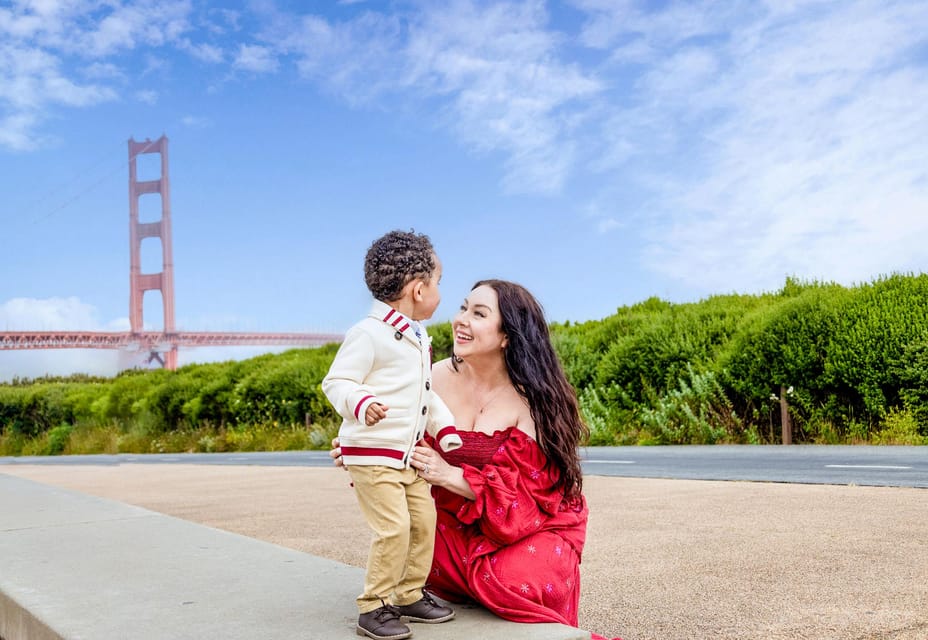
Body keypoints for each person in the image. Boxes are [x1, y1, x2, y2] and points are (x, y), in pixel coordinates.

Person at [333, 279, 621, 640]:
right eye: (463, 308)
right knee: (409, 541)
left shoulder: (534, 399)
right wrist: (362, 447)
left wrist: (450, 475)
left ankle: (482, 586)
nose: (461, 320)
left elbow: (530, 496)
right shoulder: (427, 376)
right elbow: (389, 434)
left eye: (479, 314)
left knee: (520, 581)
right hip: (452, 520)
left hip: (531, 522)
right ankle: (461, 584)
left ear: (507, 337)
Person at [322, 229, 462, 640]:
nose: (440, 292)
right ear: (419, 289)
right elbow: (337, 381)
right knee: (394, 528)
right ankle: (374, 604)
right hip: (372, 453)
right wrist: (361, 403)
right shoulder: (368, 333)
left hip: (407, 455)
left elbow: (425, 393)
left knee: (424, 521)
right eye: (439, 283)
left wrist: (445, 428)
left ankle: (409, 593)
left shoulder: (417, 336)